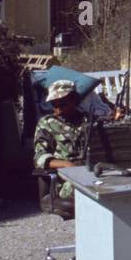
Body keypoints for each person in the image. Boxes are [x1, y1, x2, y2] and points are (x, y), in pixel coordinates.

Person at [33, 80, 87, 218]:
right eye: (54, 105)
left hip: (93, 170)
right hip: (67, 180)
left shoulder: (88, 120)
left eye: (62, 104)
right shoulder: (47, 124)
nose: (57, 109)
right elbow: (40, 157)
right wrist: (67, 165)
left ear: (74, 100)